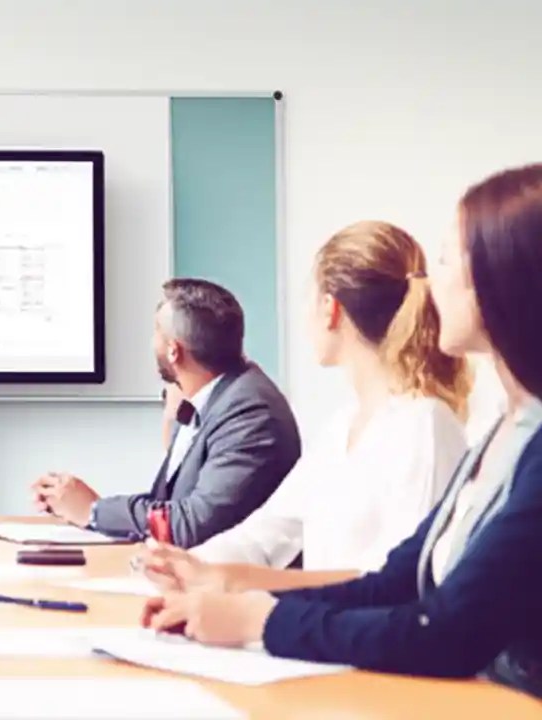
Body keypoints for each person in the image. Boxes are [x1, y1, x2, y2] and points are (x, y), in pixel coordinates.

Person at [142, 164, 542, 700]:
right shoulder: (502, 432)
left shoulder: (485, 438)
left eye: (447, 259)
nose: (430, 280)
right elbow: (393, 582)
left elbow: (442, 629)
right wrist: (230, 590)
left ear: (500, 279)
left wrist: (259, 620)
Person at [139, 222, 472, 593]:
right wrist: (188, 564)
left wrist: (238, 581)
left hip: (358, 645)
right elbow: (264, 537)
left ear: (330, 309)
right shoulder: (342, 427)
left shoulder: (423, 427)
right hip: (320, 637)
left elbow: (400, 586)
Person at [32, 278, 302, 547]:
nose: (152, 342)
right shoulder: (213, 396)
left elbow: (192, 524)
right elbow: (170, 505)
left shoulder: (250, 412)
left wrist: (93, 510)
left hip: (231, 584)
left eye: (156, 332)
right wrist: (77, 506)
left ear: (174, 351)